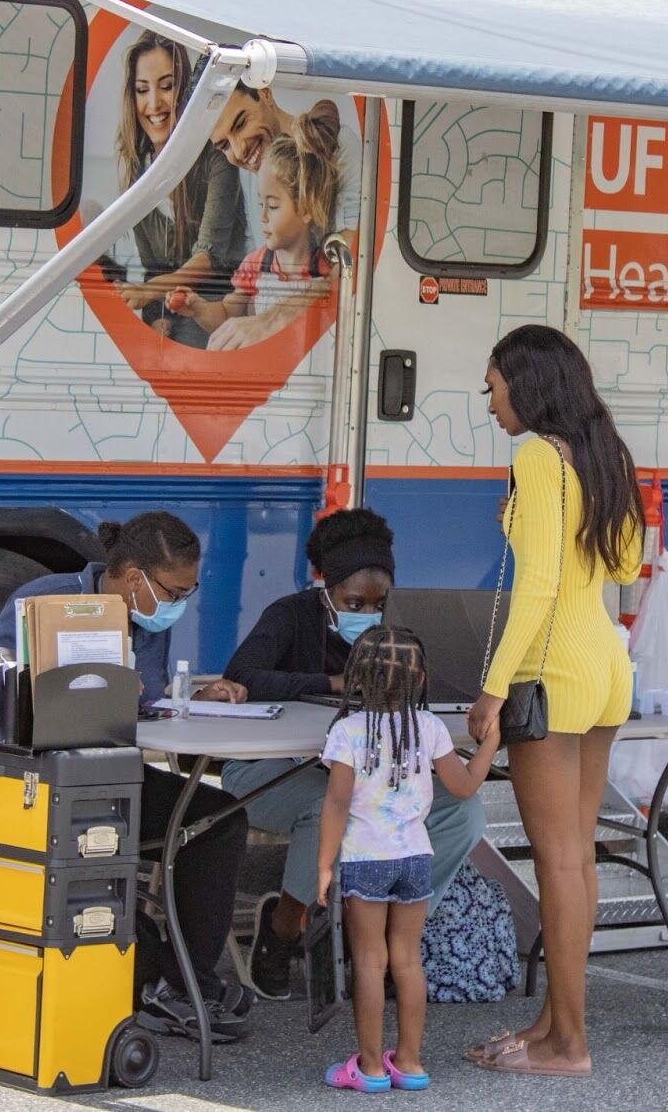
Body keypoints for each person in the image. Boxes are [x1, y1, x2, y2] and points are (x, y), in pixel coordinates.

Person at [0, 511, 255, 1041]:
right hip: (41, 779)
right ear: (133, 578)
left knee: (218, 819)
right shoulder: (44, 601)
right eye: (174, 592)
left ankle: (182, 982)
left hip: (117, 773)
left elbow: (143, 702)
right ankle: (172, 981)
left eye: (189, 593)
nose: (179, 604)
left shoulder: (147, 619)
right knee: (110, 864)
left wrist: (190, 700)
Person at [465, 324, 644, 1078]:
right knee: (578, 859)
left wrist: (492, 686)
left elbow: (537, 585)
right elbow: (626, 563)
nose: (490, 403)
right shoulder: (606, 453)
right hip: (605, 664)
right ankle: (551, 1026)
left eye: (494, 387)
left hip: (551, 670)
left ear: (527, 384)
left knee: (558, 863)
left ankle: (569, 1045)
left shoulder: (537, 458)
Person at [220, 508, 488, 1000]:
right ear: (325, 588)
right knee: (329, 808)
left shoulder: (397, 632)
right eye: (354, 603)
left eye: (379, 604)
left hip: (364, 773)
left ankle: (392, 935)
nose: (368, 614)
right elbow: (242, 675)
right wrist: (334, 683)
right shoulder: (290, 615)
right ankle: (283, 929)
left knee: (462, 812)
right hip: (266, 771)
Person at [316, 626, 498, 1092]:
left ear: (357, 679)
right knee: (408, 961)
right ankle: (411, 1063)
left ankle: (371, 1068)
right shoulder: (430, 727)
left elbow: (336, 803)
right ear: (419, 680)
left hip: (366, 861)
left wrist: (323, 866)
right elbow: (463, 788)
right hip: (416, 857)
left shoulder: (347, 732)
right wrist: (491, 746)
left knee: (369, 961)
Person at [110, 31, 248, 348]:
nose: (153, 104)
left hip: (218, 307)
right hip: (169, 309)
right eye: (142, 90)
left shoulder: (216, 157)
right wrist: (156, 317)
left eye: (167, 86)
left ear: (185, 92)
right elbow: (151, 268)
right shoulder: (137, 173)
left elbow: (209, 257)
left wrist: (149, 292)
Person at [204, 83, 362, 351]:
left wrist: (269, 321)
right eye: (224, 145)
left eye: (241, 124)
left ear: (265, 93)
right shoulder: (252, 168)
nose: (239, 151)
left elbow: (351, 265)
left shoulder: (340, 146)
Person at [166, 105, 339, 346]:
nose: (263, 217)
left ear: (306, 209)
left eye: (273, 206)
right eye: (261, 204)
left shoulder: (326, 267)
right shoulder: (256, 264)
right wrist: (197, 308)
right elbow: (227, 315)